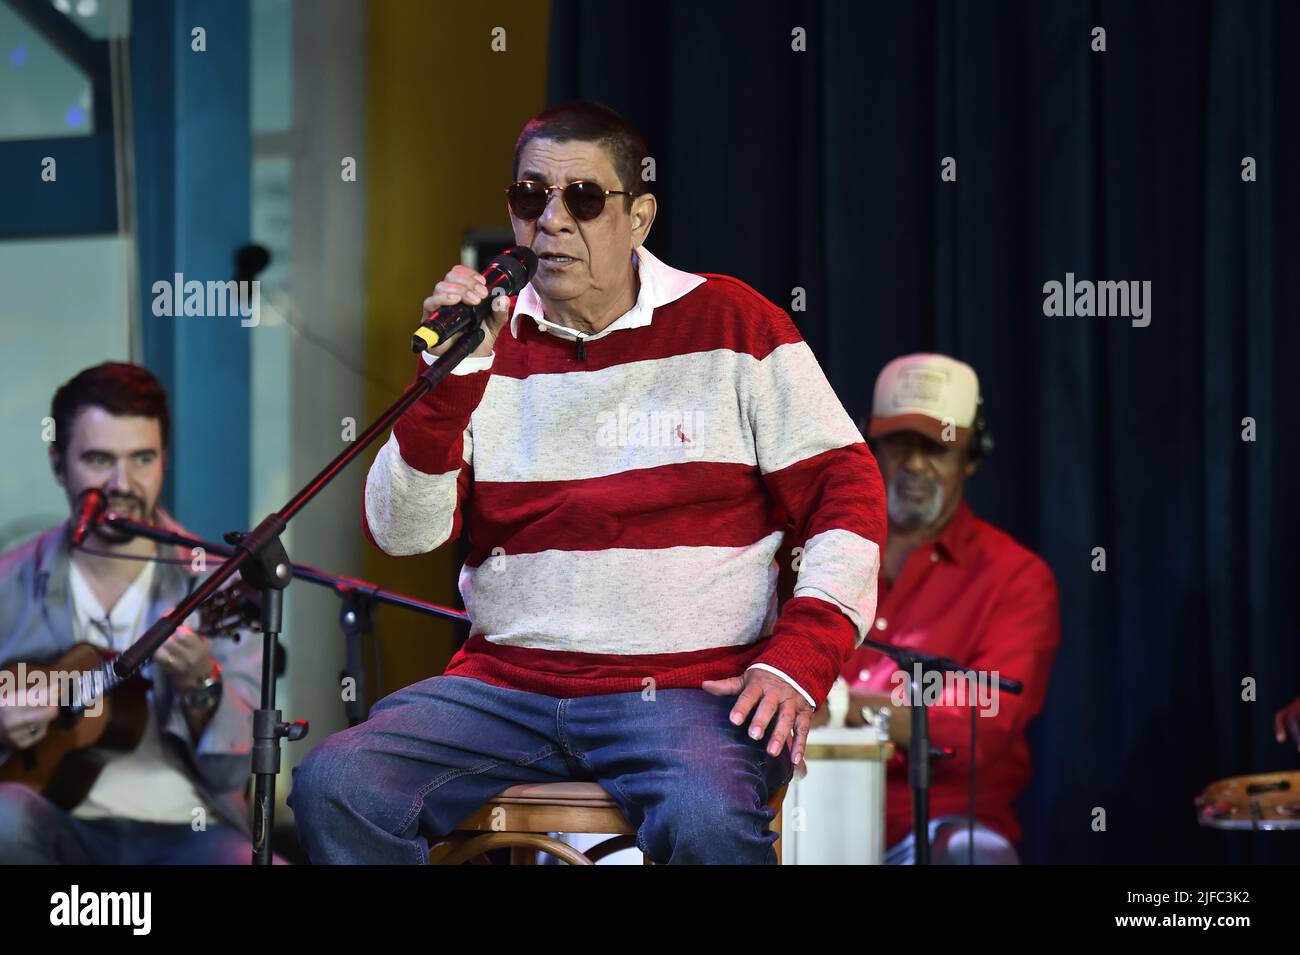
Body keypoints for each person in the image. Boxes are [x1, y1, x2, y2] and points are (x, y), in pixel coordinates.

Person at [288, 100, 887, 864]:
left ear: (639, 216)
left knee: (706, 818)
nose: (552, 221)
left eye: (583, 198)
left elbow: (849, 491)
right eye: (530, 197)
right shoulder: (483, 343)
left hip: (683, 690)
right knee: (335, 784)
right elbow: (404, 533)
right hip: (505, 686)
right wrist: (446, 391)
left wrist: (800, 655)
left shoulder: (735, 323)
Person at [0, 362, 263, 863]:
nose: (123, 482)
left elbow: (236, 772)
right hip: (53, 825)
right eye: (99, 459)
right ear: (59, 464)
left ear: (164, 460)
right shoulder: (8, 581)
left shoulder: (217, 583)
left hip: (189, 831)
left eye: (142, 459)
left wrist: (200, 684)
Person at [818, 353, 1060, 864]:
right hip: (803, 808)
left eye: (936, 448)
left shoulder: (1014, 577)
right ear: (869, 447)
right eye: (898, 444)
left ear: (972, 456)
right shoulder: (814, 551)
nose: (913, 464)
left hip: (934, 828)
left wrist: (842, 706)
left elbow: (979, 725)